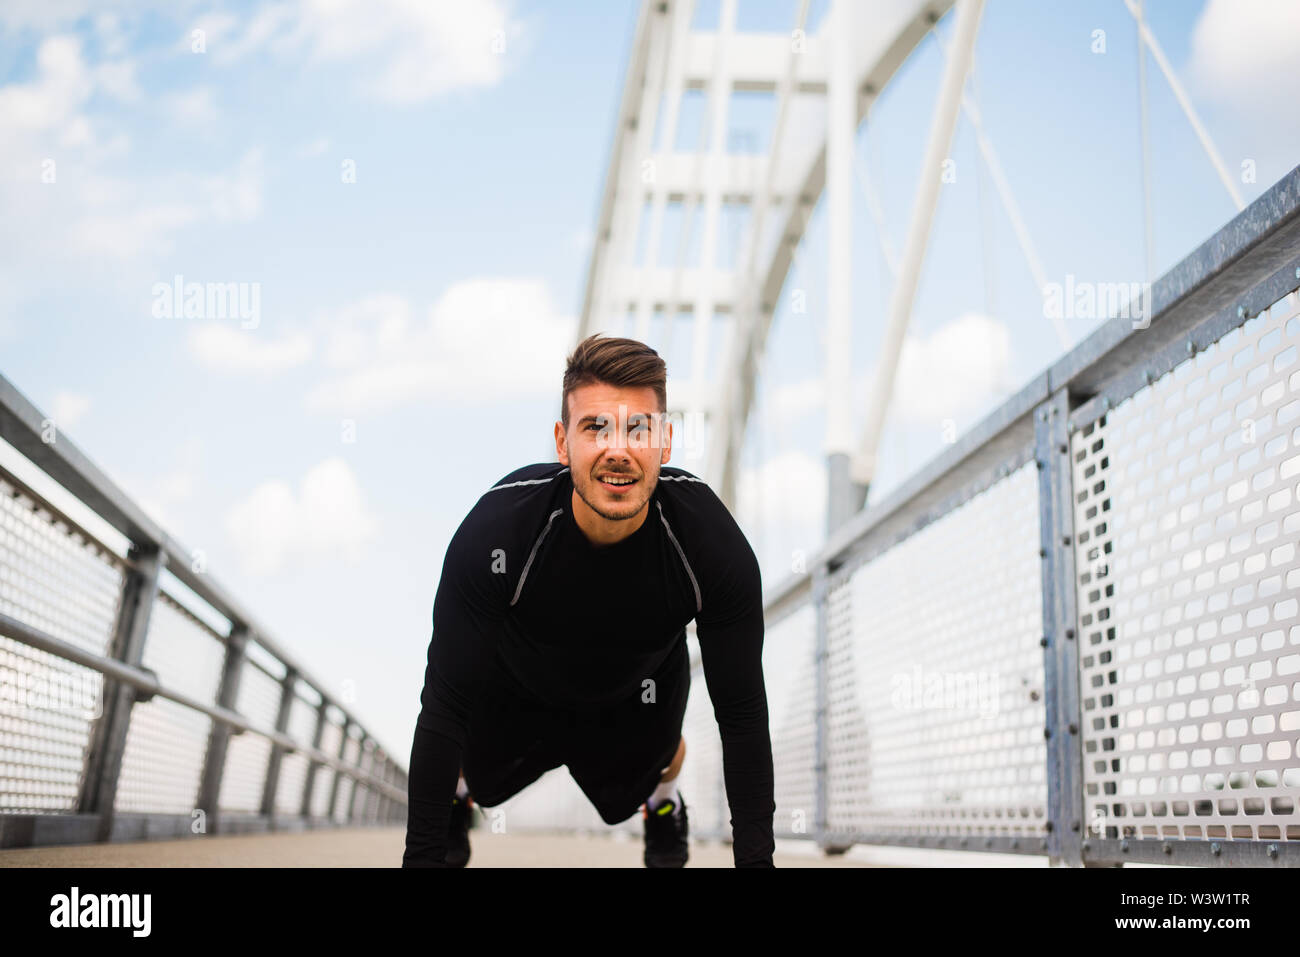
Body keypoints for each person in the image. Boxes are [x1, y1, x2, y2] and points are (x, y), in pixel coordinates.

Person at [402, 334, 775, 868]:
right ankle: (459, 799)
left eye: (638, 429)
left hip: (631, 704)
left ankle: (663, 803)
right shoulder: (498, 532)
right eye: (595, 426)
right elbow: (442, 707)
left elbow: (741, 715)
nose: (617, 449)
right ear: (562, 442)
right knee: (463, 756)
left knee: (660, 756)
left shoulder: (709, 546)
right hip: (515, 699)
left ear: (665, 443)